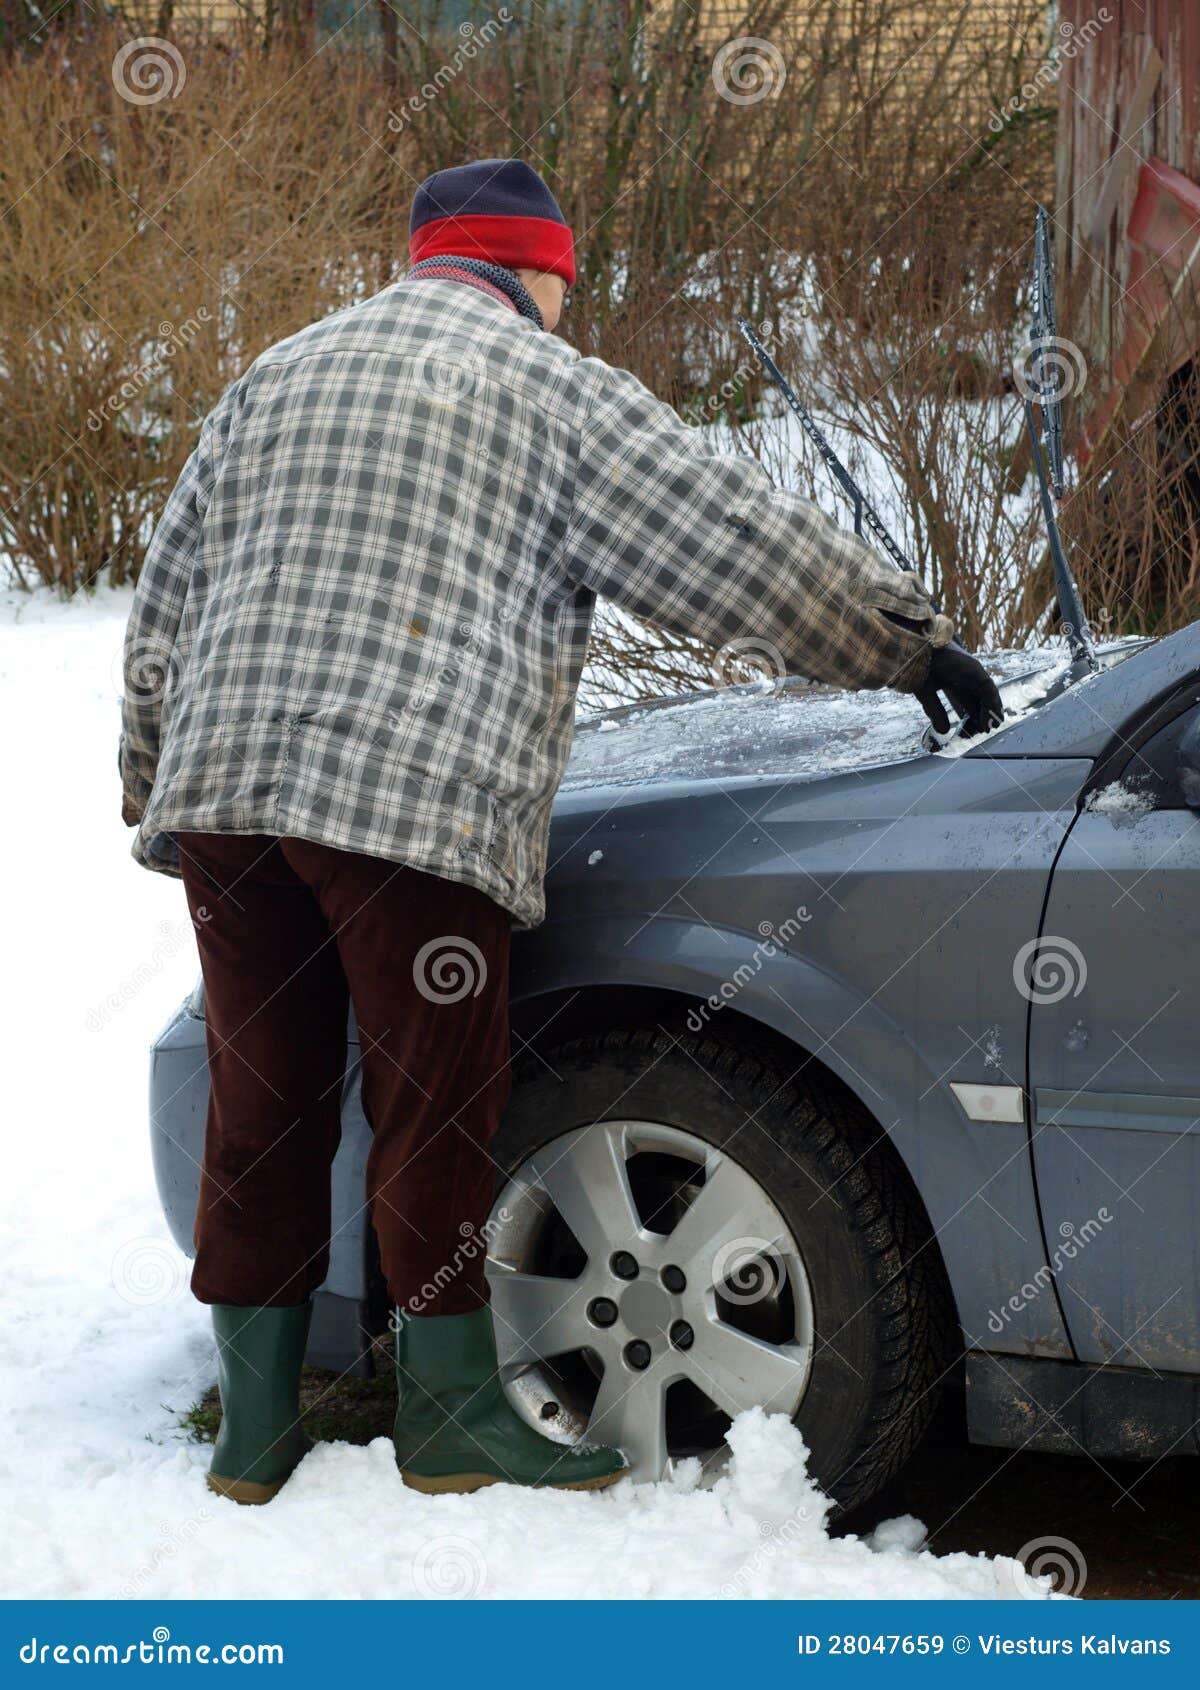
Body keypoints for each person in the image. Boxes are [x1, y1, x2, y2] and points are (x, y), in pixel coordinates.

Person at [120, 157, 1002, 1506]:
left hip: (229, 794)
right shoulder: (550, 389)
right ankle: (455, 1415)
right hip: (406, 796)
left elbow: (165, 598)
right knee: (431, 1105)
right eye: (562, 284)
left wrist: (152, 782)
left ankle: (250, 1433)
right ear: (537, 273)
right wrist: (905, 641)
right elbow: (726, 543)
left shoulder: (279, 372)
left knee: (265, 1100)